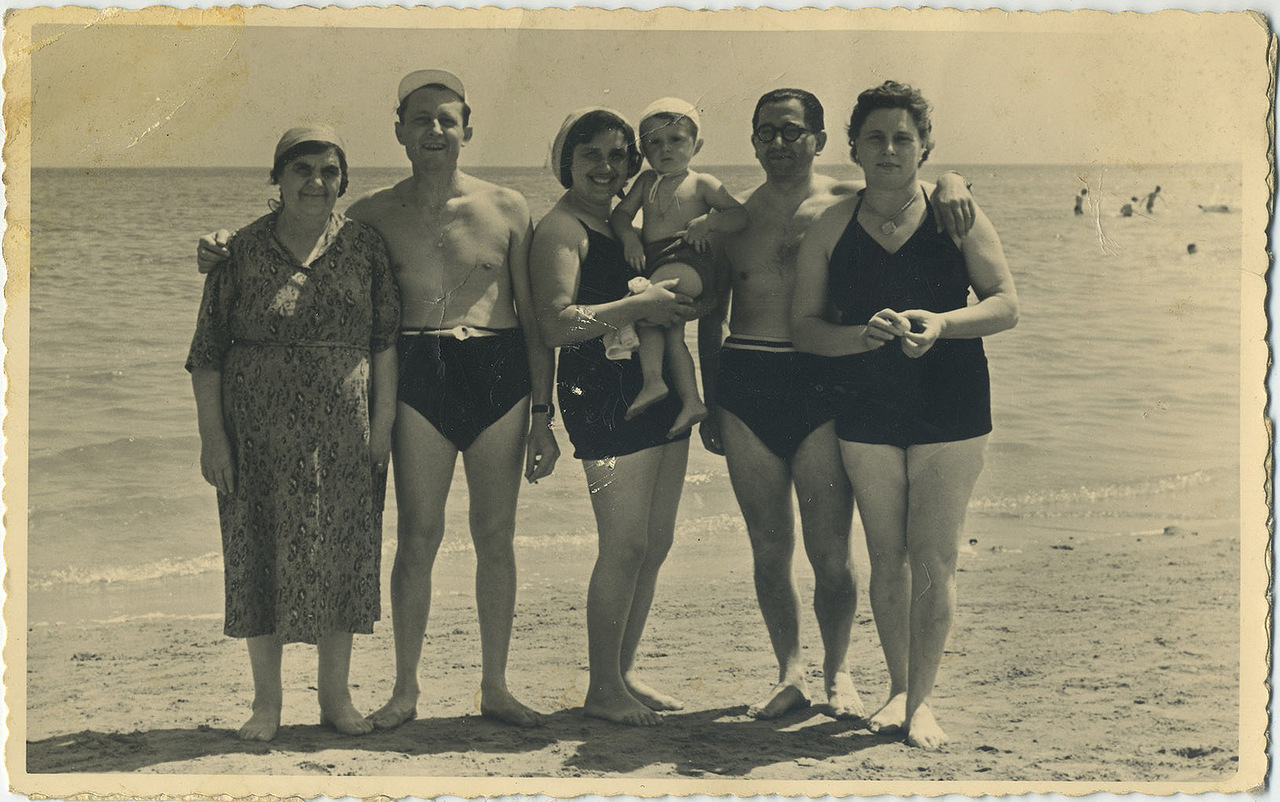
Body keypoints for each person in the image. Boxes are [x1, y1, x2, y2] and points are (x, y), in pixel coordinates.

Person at [196, 70, 559, 729]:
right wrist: (221, 242)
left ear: (468, 128)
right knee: (417, 536)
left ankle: (496, 686)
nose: (435, 130)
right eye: (421, 118)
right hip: (421, 368)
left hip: (499, 370)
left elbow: (535, 319)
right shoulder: (371, 216)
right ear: (399, 130)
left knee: (495, 535)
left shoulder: (508, 206)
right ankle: (405, 690)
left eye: (448, 118)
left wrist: (543, 414)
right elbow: (293, 240)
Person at [697, 88, 975, 721]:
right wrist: (712, 402)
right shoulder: (732, 220)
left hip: (824, 379)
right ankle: (789, 673)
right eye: (765, 132)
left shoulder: (843, 208)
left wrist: (954, 179)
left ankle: (838, 671)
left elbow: (906, 187)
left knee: (830, 548)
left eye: (792, 131)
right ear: (752, 139)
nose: (778, 143)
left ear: (822, 140)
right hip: (746, 380)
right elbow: (709, 319)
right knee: (768, 545)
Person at [791, 80, 1018, 749]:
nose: (889, 149)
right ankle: (895, 691)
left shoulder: (958, 214)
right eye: (876, 137)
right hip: (867, 404)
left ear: (925, 148)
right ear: (854, 146)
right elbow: (804, 328)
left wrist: (941, 323)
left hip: (952, 403)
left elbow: (1006, 304)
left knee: (935, 556)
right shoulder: (830, 225)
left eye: (903, 138)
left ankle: (924, 703)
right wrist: (858, 335)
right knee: (887, 557)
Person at [187, 125, 401, 741]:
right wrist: (213, 440)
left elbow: (385, 343)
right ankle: (267, 704)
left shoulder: (365, 247)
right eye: (302, 169)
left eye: (329, 171)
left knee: (343, 556)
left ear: (343, 182)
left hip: (345, 431)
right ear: (277, 179)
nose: (316, 182)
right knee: (257, 556)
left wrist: (381, 426)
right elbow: (207, 355)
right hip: (254, 434)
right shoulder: (240, 251)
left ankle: (336, 700)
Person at [531, 107, 696, 726]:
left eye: (618, 156)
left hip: (655, 391)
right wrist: (644, 304)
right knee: (623, 544)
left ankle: (621, 672)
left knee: (654, 543)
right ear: (565, 162)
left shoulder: (627, 223)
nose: (606, 168)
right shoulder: (562, 228)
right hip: (599, 400)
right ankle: (602, 688)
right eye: (590, 156)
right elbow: (553, 323)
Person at [609, 97, 747, 432]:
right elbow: (621, 215)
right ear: (642, 149)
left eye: (676, 140)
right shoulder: (645, 183)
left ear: (696, 145)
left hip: (687, 258)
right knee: (668, 333)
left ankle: (655, 380)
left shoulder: (701, 183)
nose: (665, 149)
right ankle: (691, 401)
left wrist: (708, 222)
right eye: (654, 143)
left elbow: (739, 215)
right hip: (659, 260)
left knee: (646, 310)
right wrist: (629, 238)